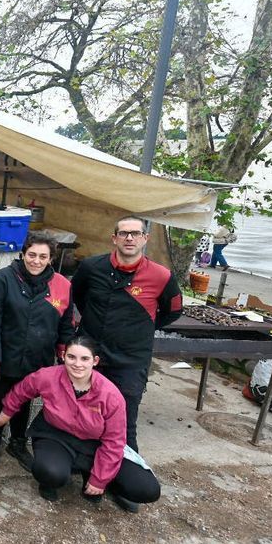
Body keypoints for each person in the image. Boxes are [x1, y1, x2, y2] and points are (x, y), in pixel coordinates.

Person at [71, 216, 180, 512]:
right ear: (114, 238)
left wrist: (135, 329)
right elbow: (77, 296)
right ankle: (81, 466)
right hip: (91, 358)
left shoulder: (161, 276)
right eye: (123, 234)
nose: (129, 238)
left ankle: (121, 480)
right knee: (80, 411)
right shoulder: (92, 267)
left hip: (130, 361)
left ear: (145, 239)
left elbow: (171, 313)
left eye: (135, 234)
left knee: (124, 420)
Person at [0, 337, 160, 510]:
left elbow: (114, 441)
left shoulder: (111, 395)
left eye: (84, 359)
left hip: (95, 444)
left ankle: (96, 477)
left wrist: (99, 480)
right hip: (55, 436)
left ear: (95, 361)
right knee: (50, 472)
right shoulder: (48, 376)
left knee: (147, 489)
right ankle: (52, 480)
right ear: (63, 356)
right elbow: (22, 390)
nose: (77, 364)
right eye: (72, 357)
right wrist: (6, 414)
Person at [0, 234, 75, 469]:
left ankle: (18, 442)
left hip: (38, 357)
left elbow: (65, 324)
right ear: (23, 254)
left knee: (25, 400)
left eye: (43, 256)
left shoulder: (63, 286)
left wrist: (65, 354)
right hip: (5, 354)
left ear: (51, 259)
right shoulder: (3, 278)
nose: (36, 261)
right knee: (0, 397)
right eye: (32, 255)